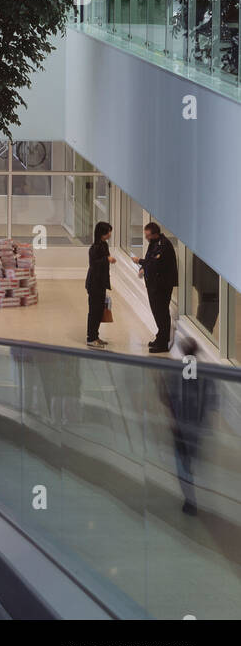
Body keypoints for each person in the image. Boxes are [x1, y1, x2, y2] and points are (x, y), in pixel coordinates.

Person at [157, 335, 214, 516]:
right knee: (190, 460)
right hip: (196, 427)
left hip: (181, 427)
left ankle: (190, 499)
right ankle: (192, 495)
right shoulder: (205, 373)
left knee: (183, 463)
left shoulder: (176, 372)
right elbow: (211, 402)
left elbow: (167, 397)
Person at [133, 221, 178, 354]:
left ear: (155, 234)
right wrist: (143, 267)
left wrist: (140, 261)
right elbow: (150, 259)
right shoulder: (153, 243)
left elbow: (154, 263)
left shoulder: (163, 245)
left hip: (162, 285)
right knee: (157, 312)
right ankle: (160, 337)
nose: (146, 238)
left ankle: (163, 343)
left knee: (161, 313)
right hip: (154, 284)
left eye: (148, 235)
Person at [84, 221, 113, 348]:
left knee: (99, 311)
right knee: (94, 312)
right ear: (102, 233)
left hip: (101, 284)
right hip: (94, 284)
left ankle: (95, 336)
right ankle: (91, 338)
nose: (110, 234)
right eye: (108, 231)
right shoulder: (94, 248)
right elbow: (94, 265)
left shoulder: (104, 245)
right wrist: (106, 259)